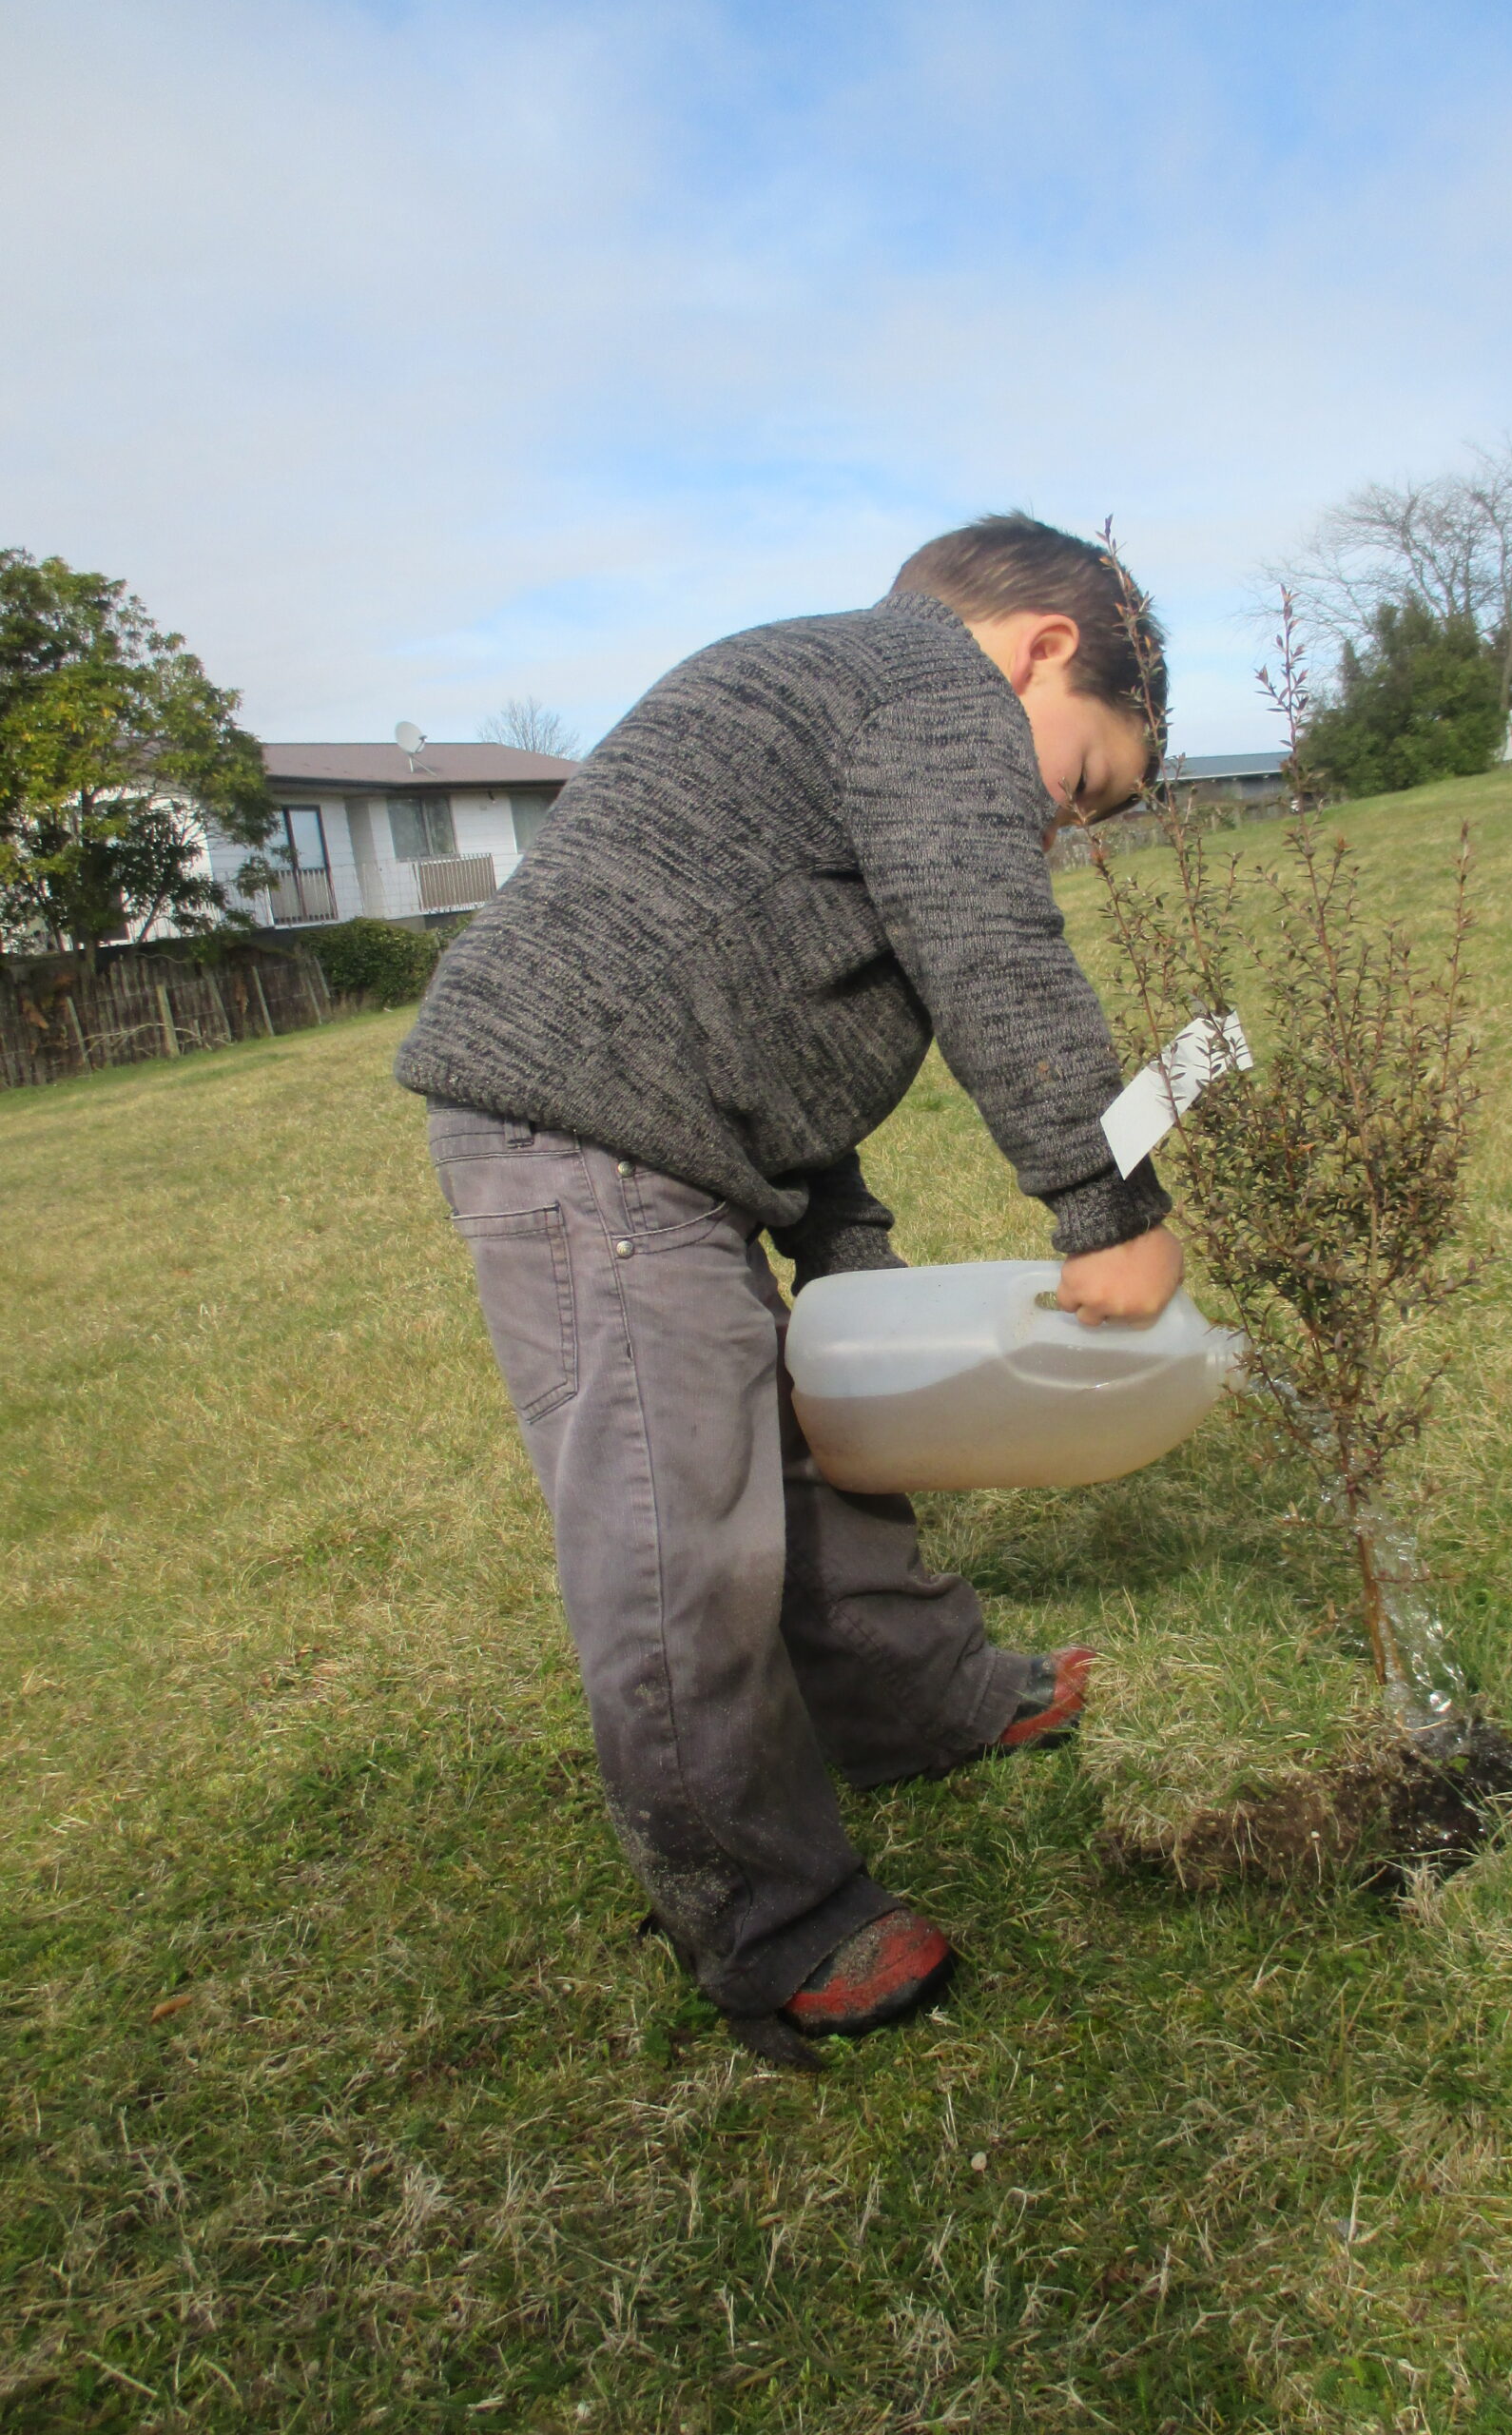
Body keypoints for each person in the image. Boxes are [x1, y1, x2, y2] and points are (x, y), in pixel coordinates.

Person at [395, 512, 1184, 2052]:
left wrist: (842, 1252)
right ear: (1044, 651)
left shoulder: (842, 690)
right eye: (1083, 783)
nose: (1058, 826)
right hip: (587, 1141)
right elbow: (992, 954)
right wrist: (1106, 1207)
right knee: (678, 1536)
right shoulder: (931, 690)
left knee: (816, 1441)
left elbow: (760, 997)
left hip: (667, 1128)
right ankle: (766, 1915)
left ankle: (919, 1703)